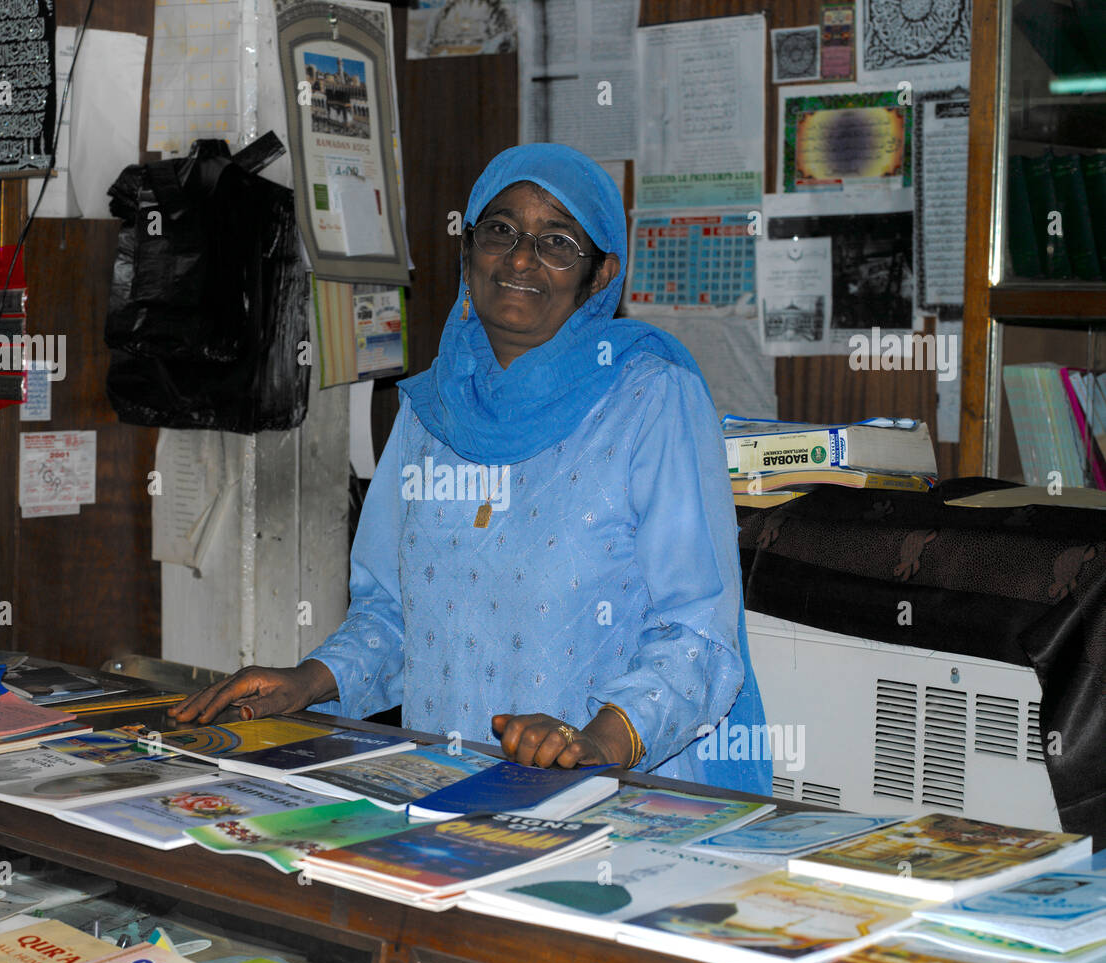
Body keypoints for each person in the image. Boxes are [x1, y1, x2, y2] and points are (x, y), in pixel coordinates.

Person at [171, 143, 770, 795]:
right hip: (446, 787)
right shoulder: (433, 409)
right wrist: (310, 681)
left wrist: (598, 741)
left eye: (558, 241)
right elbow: (392, 615)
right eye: (501, 229)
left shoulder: (651, 400)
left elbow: (697, 634)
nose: (520, 257)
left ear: (601, 276)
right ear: (468, 250)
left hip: (612, 798)